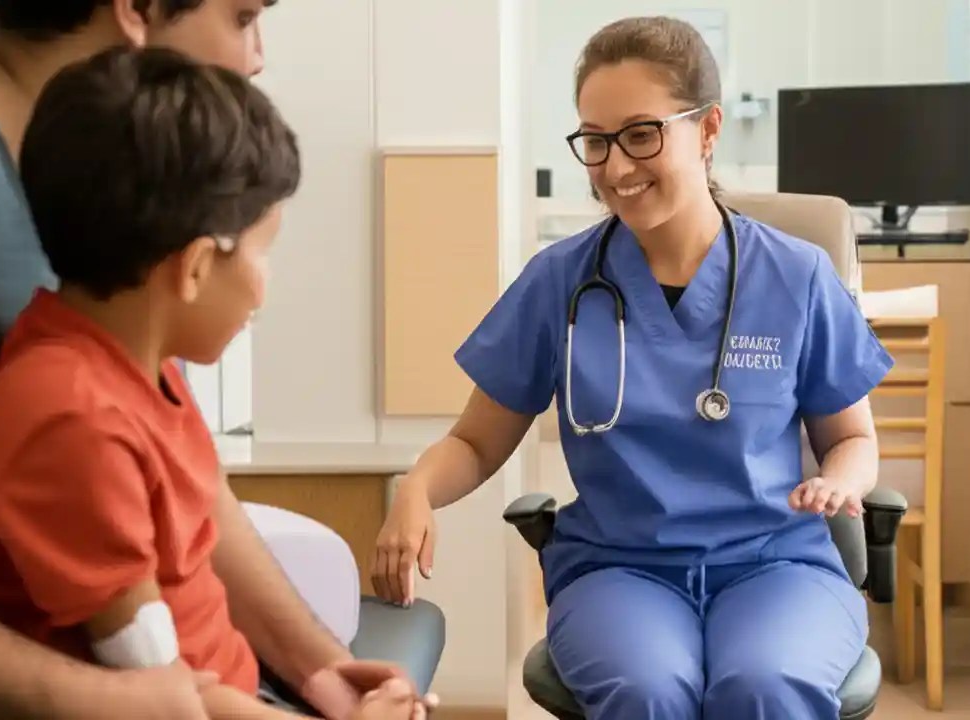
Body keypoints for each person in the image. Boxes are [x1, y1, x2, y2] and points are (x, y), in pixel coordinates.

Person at [0, 2, 407, 718]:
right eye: (240, 17)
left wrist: (324, 670)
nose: (258, 57)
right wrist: (96, 698)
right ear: (136, 10)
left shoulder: (123, 209)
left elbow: (185, 486)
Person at [372, 16, 893, 720]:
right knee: (648, 691)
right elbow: (476, 442)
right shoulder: (560, 281)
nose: (615, 168)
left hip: (780, 564)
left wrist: (838, 483)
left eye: (642, 134)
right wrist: (415, 491)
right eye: (595, 141)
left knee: (763, 685)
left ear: (708, 131)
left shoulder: (796, 276)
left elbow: (854, 442)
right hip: (621, 567)